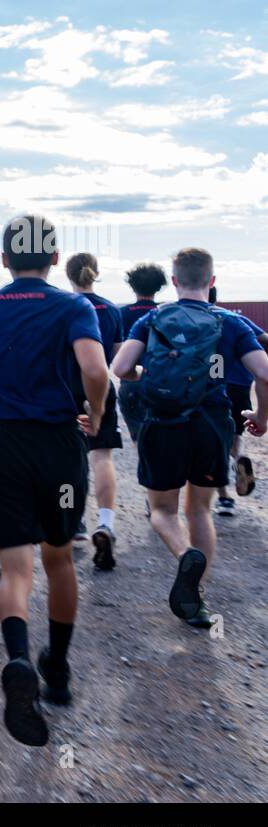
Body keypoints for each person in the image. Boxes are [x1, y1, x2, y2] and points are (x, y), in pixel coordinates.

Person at [0, 215, 110, 747]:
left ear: (4, 259)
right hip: (57, 443)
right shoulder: (73, 307)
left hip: (0, 443)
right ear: (55, 258)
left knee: (15, 565)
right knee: (59, 556)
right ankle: (57, 668)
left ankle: (17, 658)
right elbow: (96, 370)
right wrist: (96, 413)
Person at [112, 249, 268, 630]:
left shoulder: (153, 318)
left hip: (163, 422)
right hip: (212, 423)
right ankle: (196, 599)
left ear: (174, 281)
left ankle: (185, 555)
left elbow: (120, 367)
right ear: (211, 282)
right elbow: (264, 373)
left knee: (163, 511)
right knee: (199, 510)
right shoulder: (231, 322)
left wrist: (146, 376)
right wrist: (261, 417)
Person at [65, 254, 125, 570]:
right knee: (102, 456)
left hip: (66, 388)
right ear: (96, 273)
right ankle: (106, 523)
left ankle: (75, 522)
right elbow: (116, 359)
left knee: (68, 457)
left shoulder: (63, 308)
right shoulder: (112, 309)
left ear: (68, 275)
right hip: (101, 386)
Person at [209, 287, 268, 514]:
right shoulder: (235, 320)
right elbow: (264, 339)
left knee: (213, 442)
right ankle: (238, 459)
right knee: (234, 435)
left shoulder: (188, 320)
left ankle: (224, 498)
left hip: (212, 387)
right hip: (240, 386)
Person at [117, 263, 167, 443]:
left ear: (132, 286)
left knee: (140, 441)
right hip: (162, 383)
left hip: (130, 382)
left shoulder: (120, 314)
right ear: (159, 287)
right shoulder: (166, 314)